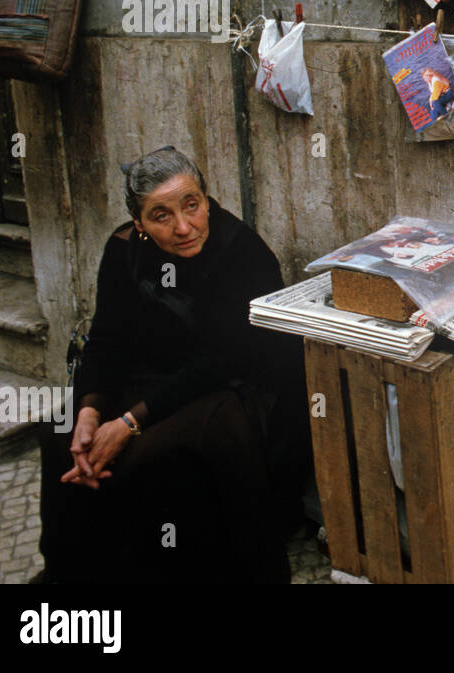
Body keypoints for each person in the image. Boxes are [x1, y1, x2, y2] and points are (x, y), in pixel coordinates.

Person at [39, 147, 311, 583]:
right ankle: (73, 571)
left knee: (153, 451)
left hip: (234, 384)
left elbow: (223, 359)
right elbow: (107, 338)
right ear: (139, 223)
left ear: (206, 200)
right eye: (160, 215)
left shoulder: (240, 251)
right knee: (61, 433)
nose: (184, 227)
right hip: (153, 378)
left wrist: (128, 423)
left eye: (192, 206)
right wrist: (91, 411)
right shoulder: (123, 250)